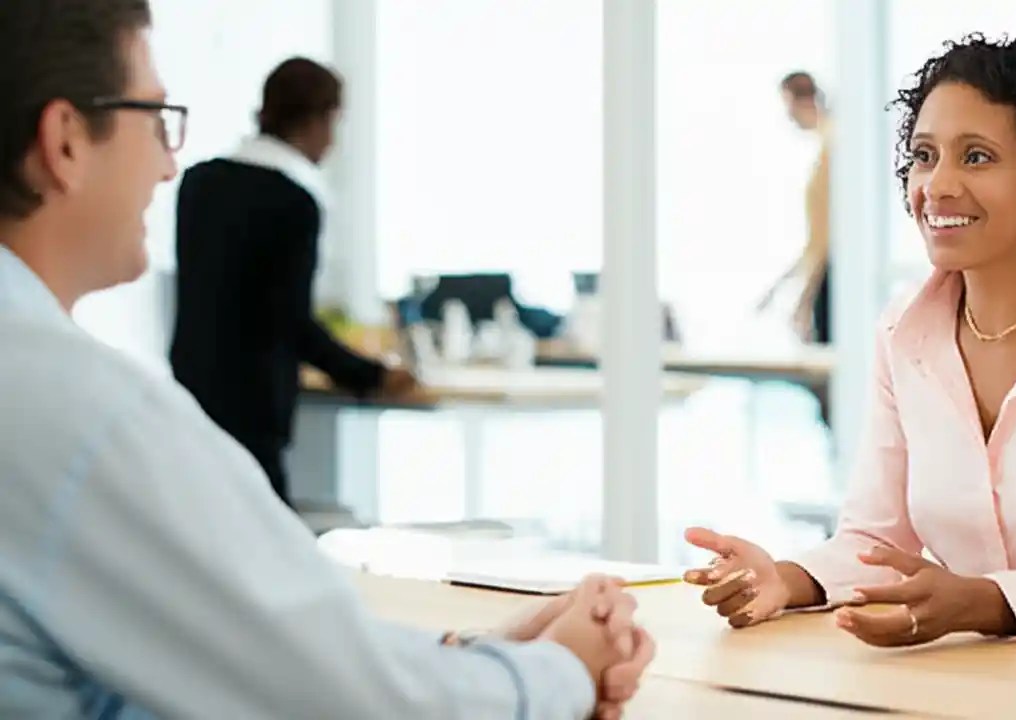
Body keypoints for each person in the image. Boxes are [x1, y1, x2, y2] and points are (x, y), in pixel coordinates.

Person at [0, 2, 652, 717]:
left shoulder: (203, 194)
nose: (167, 161)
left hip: (203, 388)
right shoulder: (86, 421)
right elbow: (346, 703)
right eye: (156, 118)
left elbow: (225, 660)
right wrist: (561, 672)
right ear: (64, 142)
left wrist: (465, 656)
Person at [685, 34, 1016, 646]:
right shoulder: (904, 332)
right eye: (924, 155)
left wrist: (984, 603)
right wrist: (785, 580)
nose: (937, 185)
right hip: (969, 679)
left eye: (977, 157)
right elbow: (876, 541)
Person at [169, 57, 416, 506]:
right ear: (319, 119)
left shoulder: (199, 183)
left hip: (191, 399)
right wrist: (371, 375)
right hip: (253, 411)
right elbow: (290, 322)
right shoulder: (292, 202)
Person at [759, 70, 832, 345]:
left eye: (788, 106)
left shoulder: (832, 151)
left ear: (804, 101)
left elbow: (824, 241)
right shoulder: (830, 147)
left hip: (831, 284)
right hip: (827, 278)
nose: (788, 117)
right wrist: (778, 288)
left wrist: (803, 302)